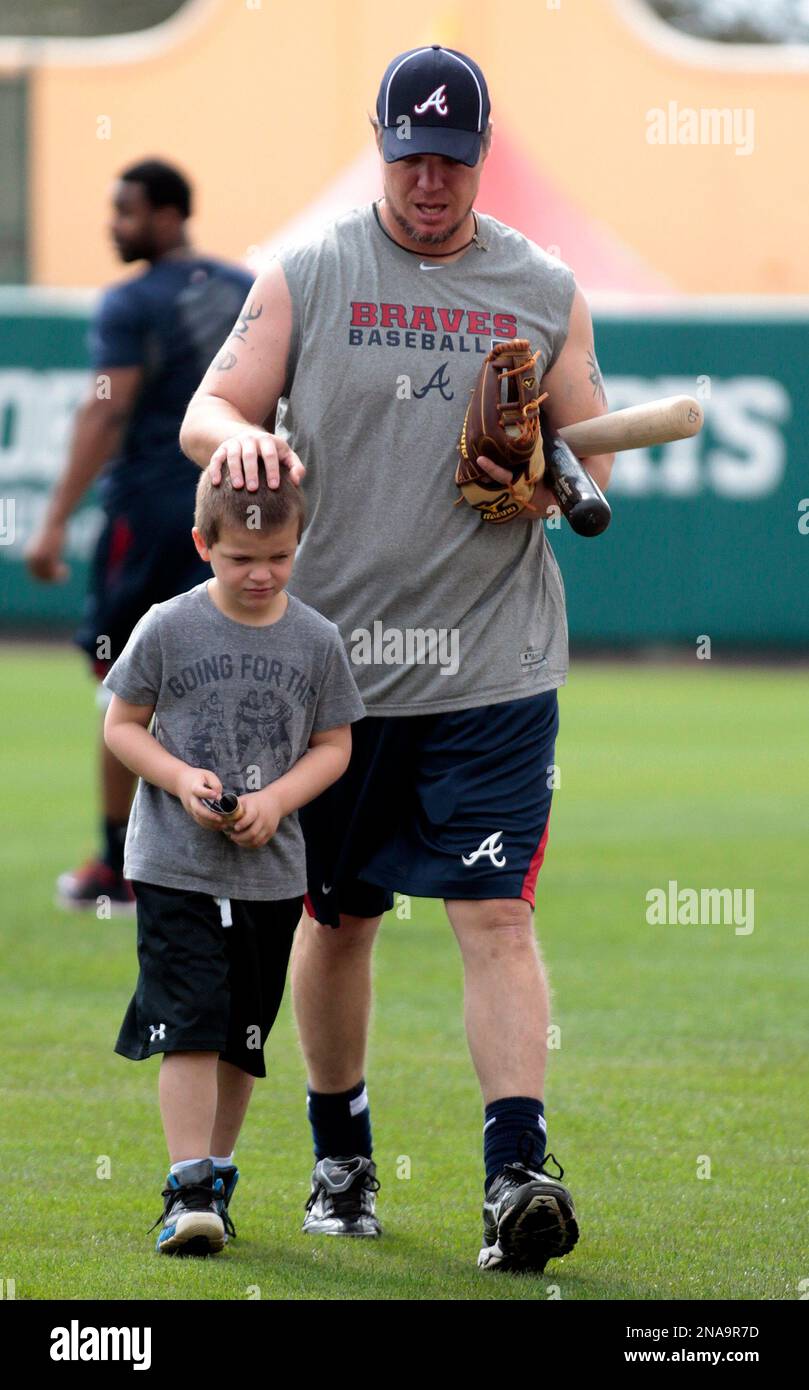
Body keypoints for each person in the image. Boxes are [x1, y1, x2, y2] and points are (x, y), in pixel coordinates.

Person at [179, 44, 614, 1274]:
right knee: (339, 914)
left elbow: (592, 456)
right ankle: (340, 1154)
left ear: (480, 160)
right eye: (413, 157)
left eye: (454, 161)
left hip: (493, 667)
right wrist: (242, 450)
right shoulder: (311, 271)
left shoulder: (540, 284)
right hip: (334, 676)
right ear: (381, 148)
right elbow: (206, 410)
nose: (432, 181)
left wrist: (544, 477)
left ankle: (514, 1173)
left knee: (492, 911)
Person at [102, 469, 365, 1254]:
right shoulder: (167, 625)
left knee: (243, 1034)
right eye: (242, 556)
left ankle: (215, 1178)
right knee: (187, 1023)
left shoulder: (316, 639)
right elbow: (123, 726)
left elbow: (335, 744)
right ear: (202, 545)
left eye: (278, 557)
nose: (261, 574)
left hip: (270, 874)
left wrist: (278, 801)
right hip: (174, 865)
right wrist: (181, 778)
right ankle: (185, 1188)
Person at [25, 158, 254, 914]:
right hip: (229, 510)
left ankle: (117, 867)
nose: (113, 226)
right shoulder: (244, 290)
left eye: (124, 211)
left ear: (167, 214)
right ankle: (224, 854)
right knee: (227, 677)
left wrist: (55, 520)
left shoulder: (129, 303)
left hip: (149, 518)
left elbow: (105, 410)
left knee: (125, 686)